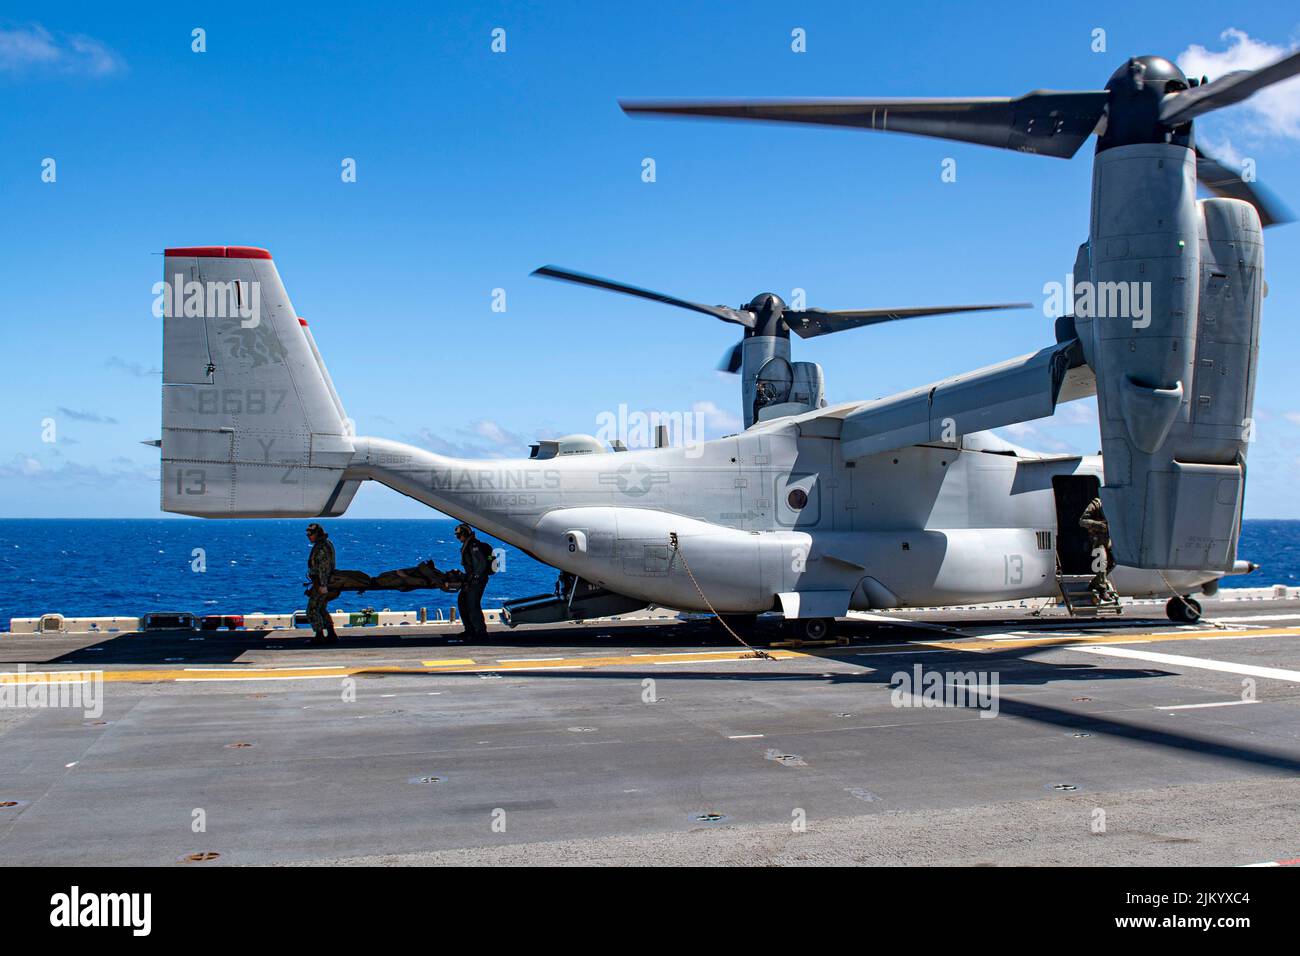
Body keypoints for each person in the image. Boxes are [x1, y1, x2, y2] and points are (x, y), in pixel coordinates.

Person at [454, 522, 490, 638]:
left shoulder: (474, 546)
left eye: (459, 535)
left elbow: (482, 563)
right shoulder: (468, 544)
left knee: (473, 605)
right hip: (471, 579)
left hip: (477, 580)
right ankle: (470, 629)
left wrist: (475, 577)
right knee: (462, 601)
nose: (457, 538)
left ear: (464, 534)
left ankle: (480, 632)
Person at [305, 522, 339, 644]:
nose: (308, 536)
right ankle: (331, 634)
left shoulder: (322, 547)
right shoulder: (324, 544)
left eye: (310, 534)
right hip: (321, 582)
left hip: (321, 583)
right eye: (307, 534)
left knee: (312, 609)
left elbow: (324, 568)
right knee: (321, 608)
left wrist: (322, 585)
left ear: (317, 534)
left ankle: (319, 636)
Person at [1078, 497, 1117, 603]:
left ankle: (1095, 583)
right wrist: (1099, 525)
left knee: (1113, 562)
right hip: (1097, 540)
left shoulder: (1115, 504)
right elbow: (1082, 521)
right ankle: (1102, 589)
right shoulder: (1096, 504)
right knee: (1102, 560)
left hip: (1109, 540)